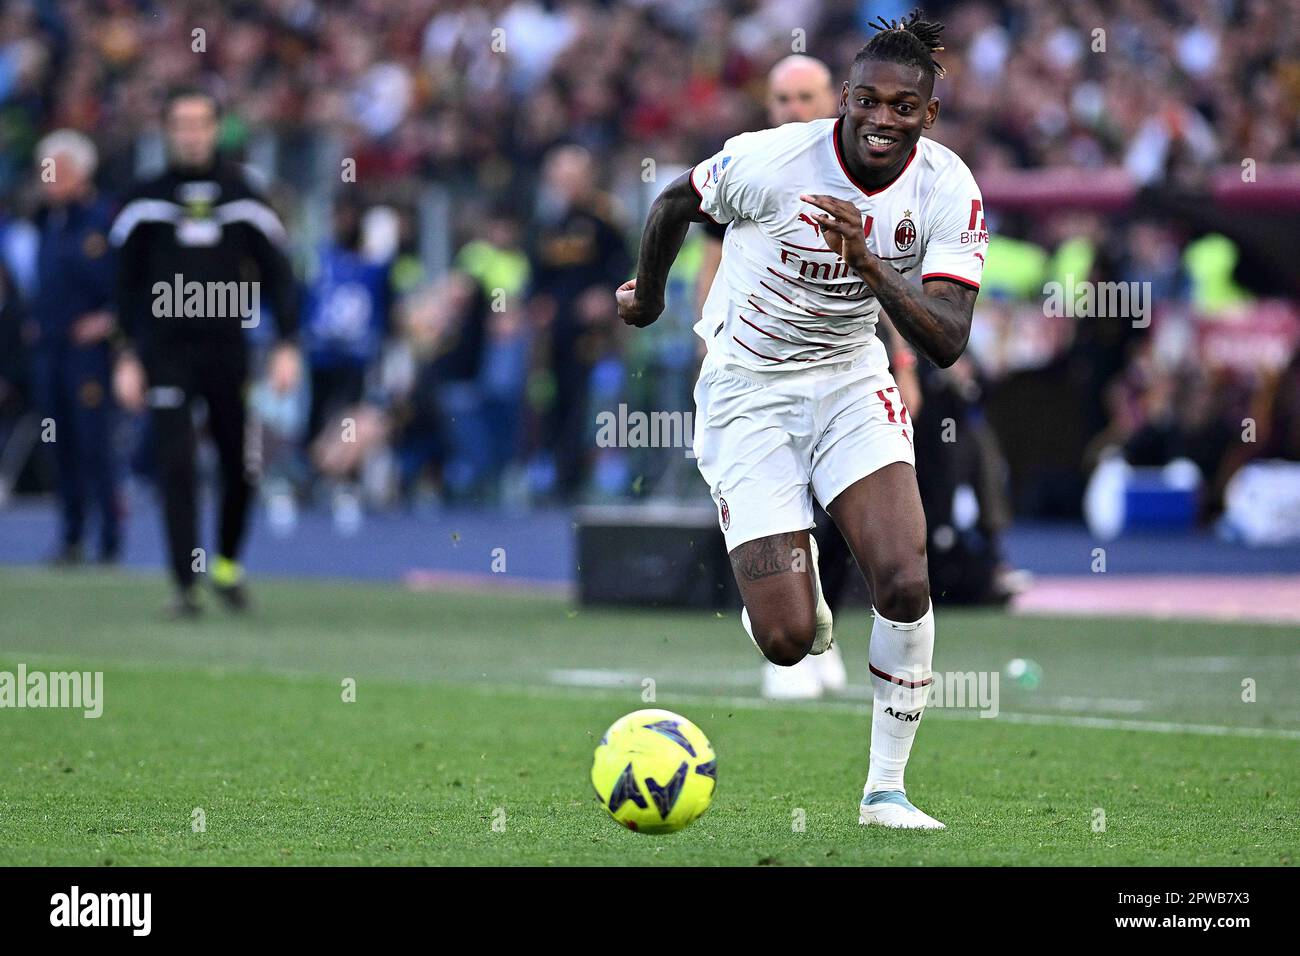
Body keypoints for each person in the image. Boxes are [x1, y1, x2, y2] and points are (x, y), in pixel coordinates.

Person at [616, 13, 986, 829]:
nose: (881, 119)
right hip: (747, 390)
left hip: (850, 379)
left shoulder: (949, 186)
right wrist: (646, 296)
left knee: (906, 577)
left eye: (902, 107)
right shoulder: (773, 159)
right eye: (867, 101)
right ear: (844, 100)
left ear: (928, 116)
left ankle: (884, 790)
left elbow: (948, 339)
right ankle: (789, 585)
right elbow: (678, 197)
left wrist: (869, 262)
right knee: (787, 641)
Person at [695, 52, 925, 701]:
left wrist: (903, 363)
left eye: (805, 98)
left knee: (860, 516)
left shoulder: (874, 177)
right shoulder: (754, 168)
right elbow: (710, 262)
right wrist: (711, 345)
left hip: (845, 371)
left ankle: (834, 630)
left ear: (836, 99)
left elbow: (892, 284)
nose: (794, 110)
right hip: (759, 375)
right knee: (771, 506)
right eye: (782, 100)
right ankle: (782, 630)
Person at [110, 87, 301, 616]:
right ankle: (184, 582)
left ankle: (226, 565)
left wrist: (288, 344)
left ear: (216, 129)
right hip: (165, 350)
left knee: (242, 462)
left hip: (227, 349)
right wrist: (124, 355)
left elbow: (279, 276)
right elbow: (123, 285)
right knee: (176, 465)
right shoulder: (145, 200)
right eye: (181, 124)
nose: (191, 134)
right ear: (168, 130)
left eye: (201, 123)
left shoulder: (244, 196)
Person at [28, 130, 121, 564]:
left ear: (81, 173)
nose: (49, 181)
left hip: (88, 354)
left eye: (57, 171)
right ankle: (70, 535)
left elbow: (129, 283)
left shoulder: (105, 220)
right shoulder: (49, 220)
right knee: (57, 442)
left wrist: (109, 321)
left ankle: (109, 536)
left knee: (92, 441)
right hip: (50, 349)